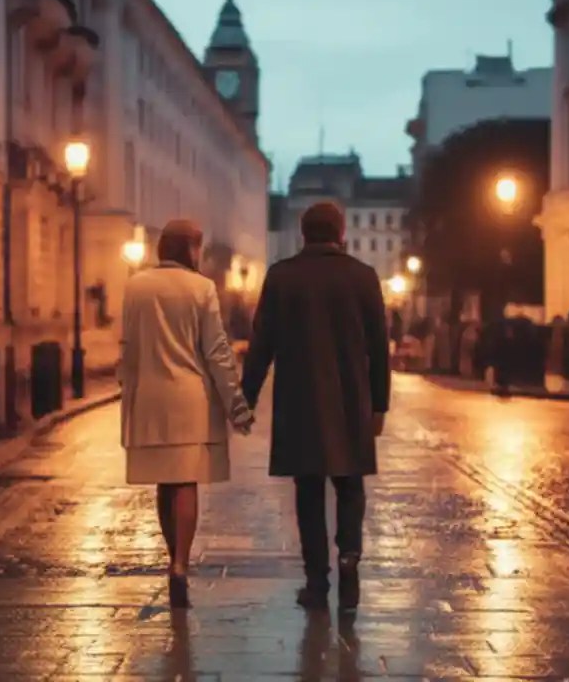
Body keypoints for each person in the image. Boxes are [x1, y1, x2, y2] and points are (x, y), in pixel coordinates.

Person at [241, 201, 391, 613]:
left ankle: (316, 582)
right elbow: (379, 348)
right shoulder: (363, 277)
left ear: (303, 234)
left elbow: (261, 345)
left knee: (307, 492)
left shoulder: (282, 276)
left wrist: (246, 399)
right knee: (350, 484)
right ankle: (349, 555)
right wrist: (379, 404)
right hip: (350, 399)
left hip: (298, 401)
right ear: (341, 232)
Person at [119, 219, 254, 609]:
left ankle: (170, 557)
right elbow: (216, 351)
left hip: (148, 398)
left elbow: (128, 349)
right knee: (185, 484)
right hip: (189, 400)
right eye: (198, 247)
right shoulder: (201, 289)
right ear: (189, 250)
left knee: (164, 484)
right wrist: (236, 405)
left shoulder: (135, 287)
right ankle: (180, 564)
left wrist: (127, 396)